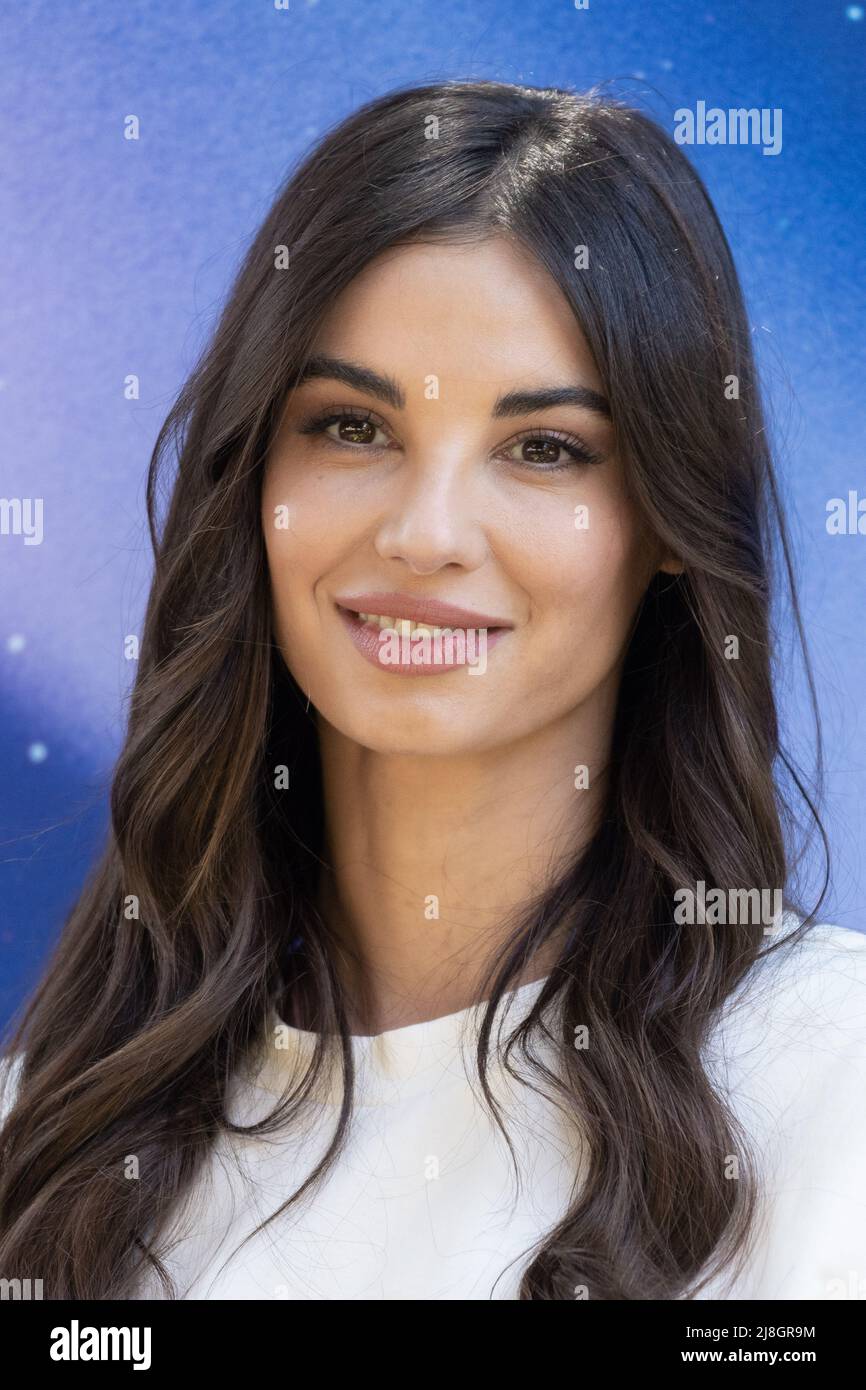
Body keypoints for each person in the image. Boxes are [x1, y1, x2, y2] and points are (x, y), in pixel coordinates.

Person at [2, 79, 864, 1301]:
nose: (426, 531)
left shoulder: (833, 1085)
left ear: (670, 522)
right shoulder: (51, 1140)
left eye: (544, 448)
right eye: (352, 427)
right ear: (253, 478)